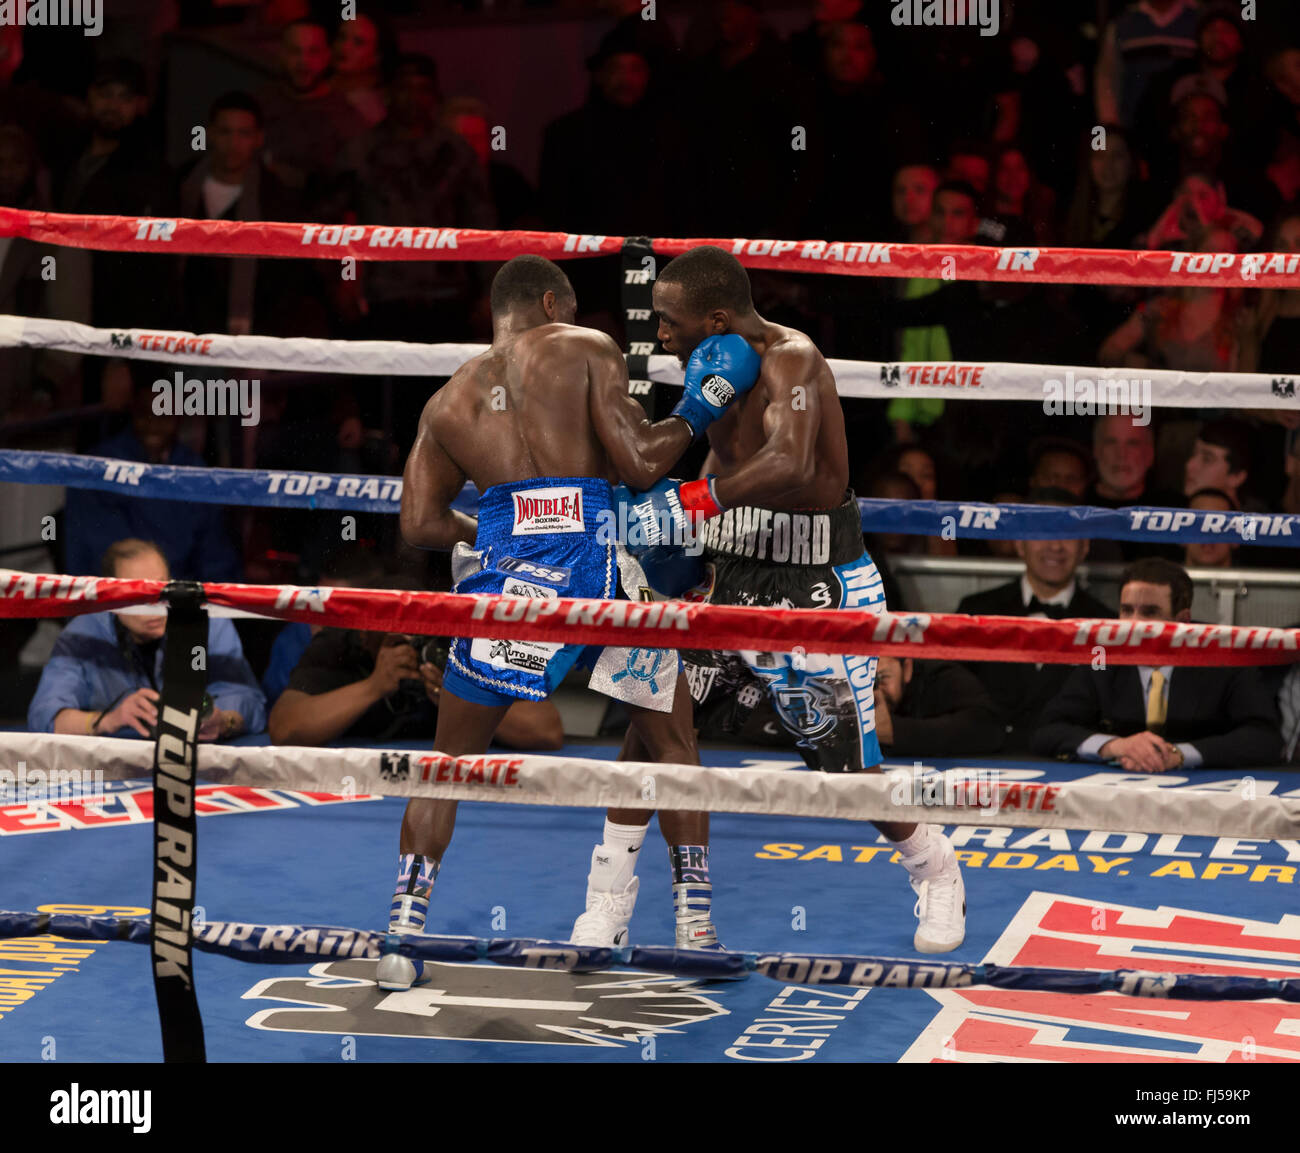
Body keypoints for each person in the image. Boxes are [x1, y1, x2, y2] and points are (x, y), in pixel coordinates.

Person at [377, 254, 761, 990]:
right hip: (599, 572)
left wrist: (492, 534)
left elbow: (420, 522)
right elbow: (644, 464)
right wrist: (701, 406)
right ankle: (697, 929)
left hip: (504, 583)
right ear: (554, 303)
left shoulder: (448, 400)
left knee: (447, 765)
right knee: (671, 738)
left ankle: (401, 935)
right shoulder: (583, 345)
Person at [599, 245, 967, 955]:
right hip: (731, 570)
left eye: (670, 322)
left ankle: (935, 865)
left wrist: (694, 501)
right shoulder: (715, 366)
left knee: (844, 769)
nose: (661, 336)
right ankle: (610, 895)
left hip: (815, 582)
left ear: (715, 316)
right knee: (650, 716)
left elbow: (793, 461)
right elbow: (725, 454)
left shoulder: (794, 360)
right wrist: (682, 527)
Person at [1033, 558, 1282, 769]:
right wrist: (1115, 746)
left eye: (1149, 612)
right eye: (1126, 610)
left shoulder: (1225, 655)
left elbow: (1264, 738)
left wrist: (1179, 754)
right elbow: (1049, 730)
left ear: (1182, 620)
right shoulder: (1101, 657)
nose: (1134, 624)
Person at [27, 538, 266, 740]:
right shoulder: (83, 634)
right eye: (139, 595)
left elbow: (252, 705)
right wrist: (108, 720)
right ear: (110, 600)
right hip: (117, 774)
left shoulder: (208, 624)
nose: (157, 606)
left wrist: (221, 720)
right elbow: (44, 718)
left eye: (162, 589)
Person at [959, 487, 1114, 753]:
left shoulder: (1106, 624)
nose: (1055, 546)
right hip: (983, 760)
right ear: (1020, 544)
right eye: (1044, 532)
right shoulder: (976, 610)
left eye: (1067, 534)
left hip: (1069, 767)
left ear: (1085, 546)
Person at [267, 627, 563, 749]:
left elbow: (547, 729)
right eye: (396, 641)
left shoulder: (462, 643)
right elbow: (285, 727)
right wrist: (373, 686)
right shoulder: (341, 646)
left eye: (416, 640)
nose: (410, 650)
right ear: (365, 637)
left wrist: (461, 698)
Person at [873, 657, 1003, 758]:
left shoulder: (937, 679)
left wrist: (894, 730)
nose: (872, 691)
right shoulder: (858, 698)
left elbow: (987, 728)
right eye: (862, 680)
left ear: (907, 668)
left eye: (880, 678)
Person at [1183, 488, 1238, 569]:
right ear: (1182, 534)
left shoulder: (1253, 580)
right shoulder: (1161, 580)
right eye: (1199, 524)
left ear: (1236, 538)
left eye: (1218, 524)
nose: (1207, 533)